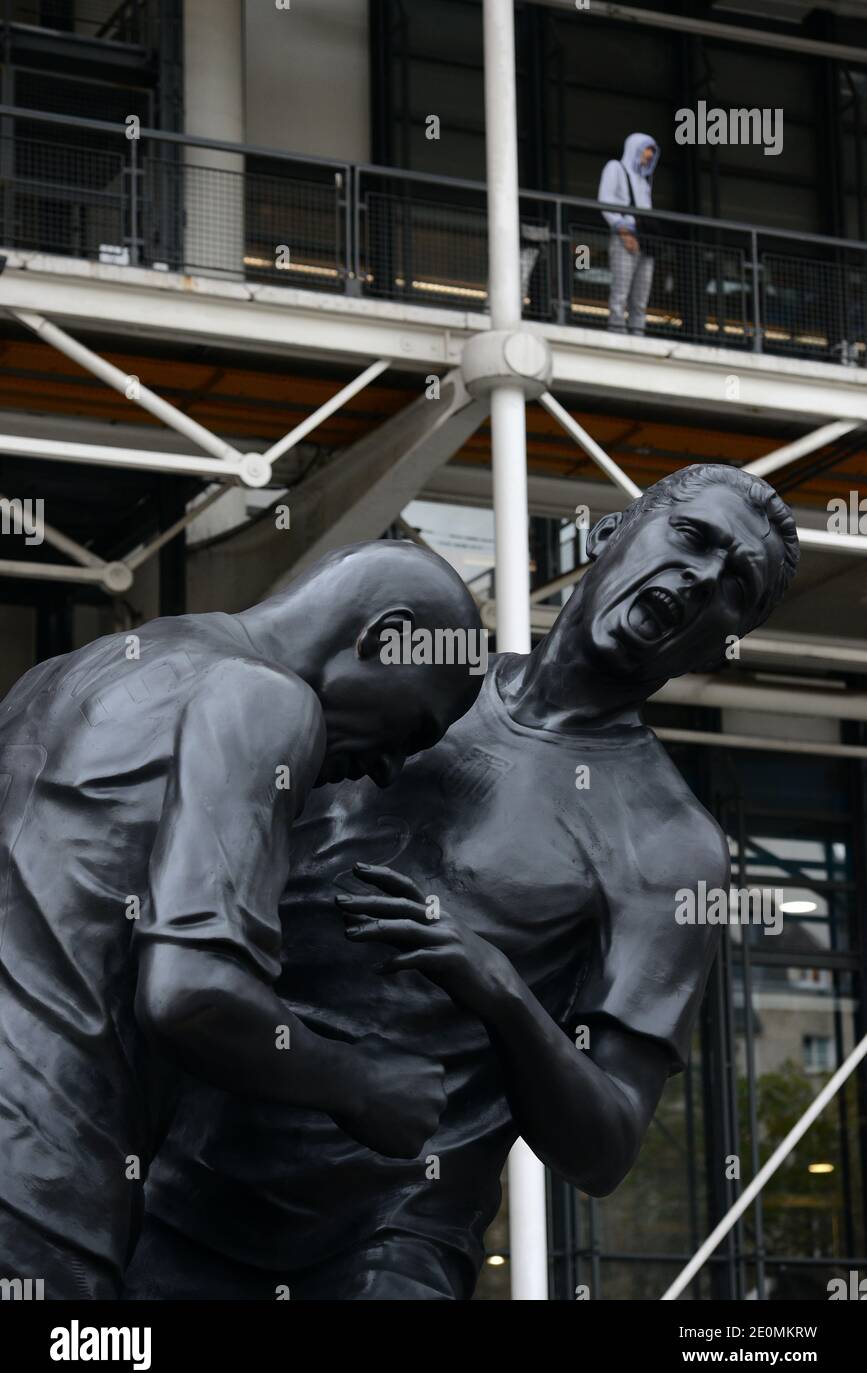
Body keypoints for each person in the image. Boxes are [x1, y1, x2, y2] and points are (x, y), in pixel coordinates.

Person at [128, 464, 800, 1301]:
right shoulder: (411, 661)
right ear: (607, 533)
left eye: (735, 584)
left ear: (725, 643)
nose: (700, 577)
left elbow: (605, 1148)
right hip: (172, 1186)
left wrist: (497, 989)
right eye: (691, 537)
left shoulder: (670, 846)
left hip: (387, 1239)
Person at [0, 540, 485, 1299]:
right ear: (383, 638)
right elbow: (190, 992)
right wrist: (361, 1085)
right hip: (35, 1173)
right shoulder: (264, 697)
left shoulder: (61, 676)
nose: (392, 768)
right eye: (416, 730)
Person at [599, 132, 660, 335]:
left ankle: (637, 333)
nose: (650, 154)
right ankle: (617, 331)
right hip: (624, 237)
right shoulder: (615, 168)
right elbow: (605, 202)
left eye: (652, 150)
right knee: (621, 291)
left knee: (641, 296)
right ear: (635, 147)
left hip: (644, 241)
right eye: (647, 148)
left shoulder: (644, 182)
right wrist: (624, 232)